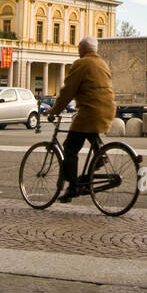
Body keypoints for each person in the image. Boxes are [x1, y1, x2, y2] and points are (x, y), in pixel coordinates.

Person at [46, 36, 116, 202]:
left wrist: (55, 110)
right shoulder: (102, 63)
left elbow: (68, 91)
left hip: (91, 110)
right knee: (89, 131)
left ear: (82, 49)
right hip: (107, 109)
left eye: (78, 48)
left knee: (70, 147)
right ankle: (100, 153)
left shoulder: (81, 63)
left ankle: (73, 187)